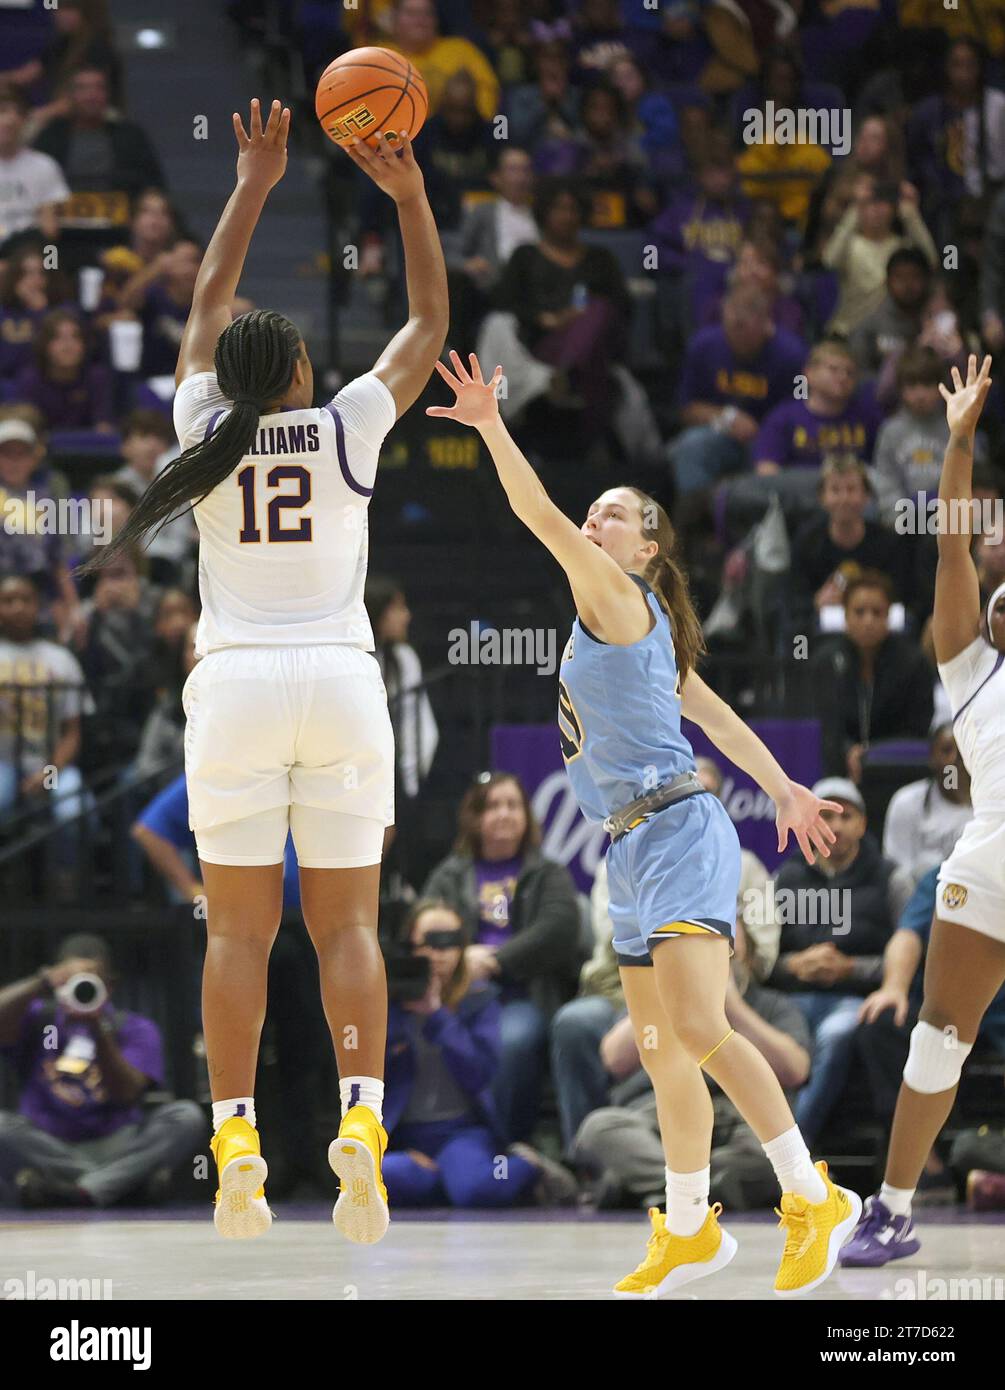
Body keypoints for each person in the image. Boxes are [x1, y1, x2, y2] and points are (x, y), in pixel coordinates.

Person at [77, 100, 449, 1244]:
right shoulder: (342, 428)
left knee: (234, 934)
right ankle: (362, 1122)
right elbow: (430, 319)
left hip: (233, 687)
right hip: (338, 683)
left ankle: (233, 1131)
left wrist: (250, 182)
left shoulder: (199, 427)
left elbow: (202, 305)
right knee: (349, 929)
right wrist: (408, 194)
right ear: (295, 371)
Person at [426, 346, 860, 1298]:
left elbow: (536, 514)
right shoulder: (644, 628)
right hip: (626, 849)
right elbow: (716, 715)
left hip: (675, 831)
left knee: (701, 1026)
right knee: (662, 1051)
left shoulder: (614, 597)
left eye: (612, 513)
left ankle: (809, 1194)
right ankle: (692, 1223)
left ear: (644, 548)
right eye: (597, 512)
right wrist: (784, 788)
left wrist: (491, 425)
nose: (594, 520)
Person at [842, 354, 1005, 1266]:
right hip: (986, 860)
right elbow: (950, 542)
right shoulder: (967, 668)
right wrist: (957, 443)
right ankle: (892, 1210)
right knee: (936, 1041)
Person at [571, 918, 811, 1214]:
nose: (715, 947)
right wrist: (670, 990)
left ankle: (669, 1192)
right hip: (659, 1112)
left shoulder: (772, 1004)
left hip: (740, 1116)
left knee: (774, 1152)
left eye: (728, 939)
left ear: (747, 952)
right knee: (600, 1128)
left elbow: (795, 1069)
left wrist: (731, 1008)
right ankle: (698, 1191)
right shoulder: (655, 996)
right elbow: (614, 1059)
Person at [382, 899, 576, 1207]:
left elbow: (479, 1073)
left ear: (462, 948)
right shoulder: (389, 1002)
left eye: (447, 943)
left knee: (480, 1190)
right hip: (406, 1138)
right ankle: (447, 1181)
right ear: (411, 945)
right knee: (376, 1179)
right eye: (428, 943)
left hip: (462, 1134)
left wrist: (437, 1015)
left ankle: (527, 1165)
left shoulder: (479, 1000)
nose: (437, 954)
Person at [422, 771, 581, 1143]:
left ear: (527, 815)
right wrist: (462, 958)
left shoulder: (546, 873)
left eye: (513, 805)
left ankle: (500, 1147)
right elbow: (423, 929)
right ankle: (441, 1143)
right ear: (474, 817)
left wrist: (496, 961)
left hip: (522, 997)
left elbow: (559, 930)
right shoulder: (450, 874)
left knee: (510, 1042)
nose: (504, 814)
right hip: (458, 997)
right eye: (492, 806)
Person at [0, 934, 205, 1209]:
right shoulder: (38, 1017)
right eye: (71, 981)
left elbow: (127, 1093)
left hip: (117, 1143)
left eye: (90, 982)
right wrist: (41, 981)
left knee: (186, 1116)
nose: (81, 989)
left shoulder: (135, 1029)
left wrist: (98, 1029)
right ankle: (118, 1186)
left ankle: (75, 1191)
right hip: (49, 1145)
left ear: (109, 986)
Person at [767, 777, 911, 1146]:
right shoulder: (786, 877)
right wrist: (794, 965)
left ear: (863, 824)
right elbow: (763, 960)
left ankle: (793, 1150)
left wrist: (851, 968)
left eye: (846, 816)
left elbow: (912, 956)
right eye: (825, 816)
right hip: (793, 1000)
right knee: (765, 1038)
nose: (835, 826)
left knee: (835, 1035)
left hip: (854, 999)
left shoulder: (892, 879)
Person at [810, 570, 935, 782]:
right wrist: (848, 751)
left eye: (877, 612)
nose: (868, 621)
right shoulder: (827, 662)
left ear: (888, 615)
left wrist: (873, 754)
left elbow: (918, 728)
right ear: (845, 616)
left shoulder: (914, 663)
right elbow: (827, 726)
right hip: (839, 772)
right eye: (859, 612)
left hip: (899, 771)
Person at [881, 725, 973, 887]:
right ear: (932, 757)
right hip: (921, 897)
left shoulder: (992, 804)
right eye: (946, 751)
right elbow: (897, 869)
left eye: (962, 751)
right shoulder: (906, 801)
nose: (954, 760)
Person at [0, 82, 69, 254]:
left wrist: (50, 271)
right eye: (1, 112)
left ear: (24, 120)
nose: (7, 120)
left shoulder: (44, 166)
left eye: (15, 113)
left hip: (28, 259)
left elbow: (50, 233)